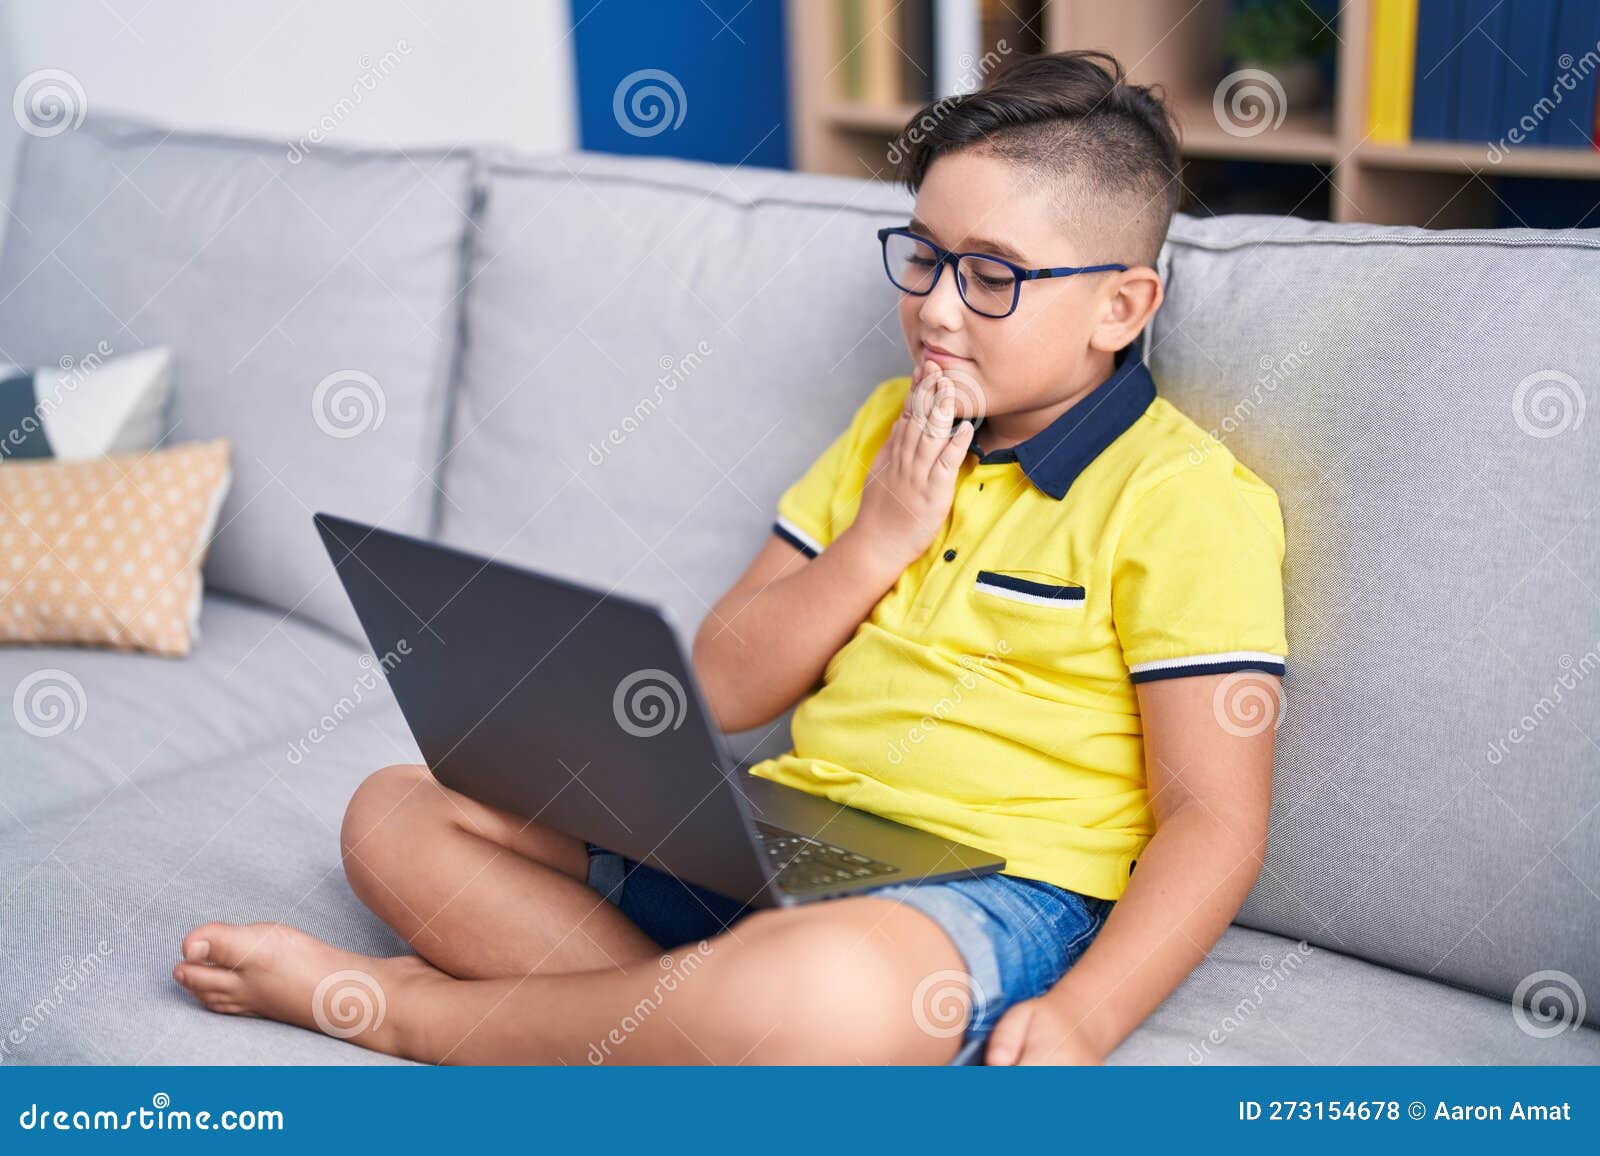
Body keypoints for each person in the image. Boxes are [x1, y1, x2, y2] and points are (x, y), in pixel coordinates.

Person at [173, 50, 1287, 1066]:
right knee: (395, 810)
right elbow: (722, 681)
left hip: (983, 896)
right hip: (779, 838)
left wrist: (1088, 1013)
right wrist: (881, 537)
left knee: (819, 991)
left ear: (1120, 306)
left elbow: (1214, 821)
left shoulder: (1188, 502)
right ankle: (701, 1031)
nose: (936, 309)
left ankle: (408, 1010)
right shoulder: (884, 431)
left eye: (992, 274)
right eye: (925, 257)